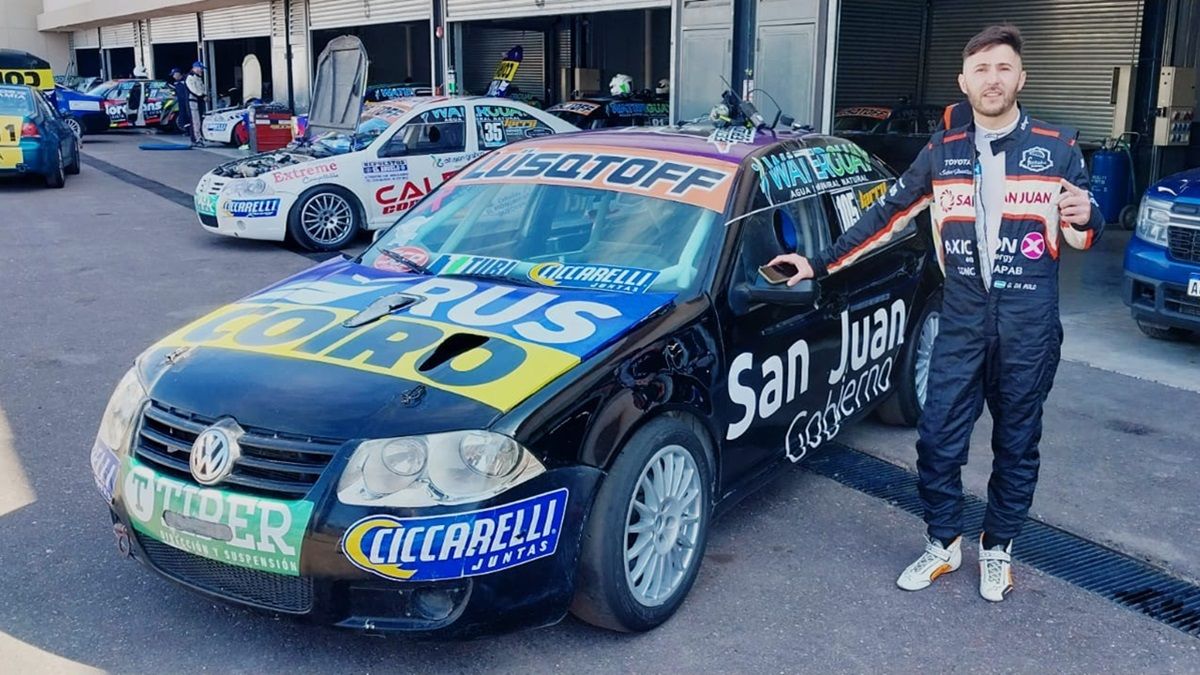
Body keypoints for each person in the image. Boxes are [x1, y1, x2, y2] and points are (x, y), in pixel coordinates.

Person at [767, 24, 1103, 602]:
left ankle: (998, 548)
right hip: (963, 317)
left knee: (1017, 443)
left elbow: (1081, 237)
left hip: (1029, 323)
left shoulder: (1060, 146)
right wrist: (817, 263)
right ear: (963, 82)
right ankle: (944, 542)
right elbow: (888, 216)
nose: (992, 79)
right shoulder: (942, 151)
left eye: (1002, 68)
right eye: (981, 70)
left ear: (1021, 77)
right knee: (938, 440)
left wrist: (1086, 214)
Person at [185, 61, 207, 145]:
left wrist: (204, 95)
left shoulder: (198, 77)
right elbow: (193, 90)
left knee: (199, 120)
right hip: (193, 102)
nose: (201, 71)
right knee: (195, 121)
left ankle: (199, 137)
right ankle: (196, 140)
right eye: (201, 69)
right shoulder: (190, 77)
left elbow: (201, 88)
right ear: (195, 68)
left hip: (198, 102)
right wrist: (202, 96)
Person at [170, 68, 191, 136]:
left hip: (188, 101)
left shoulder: (186, 80)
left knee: (189, 116)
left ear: (178, 74)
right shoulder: (175, 83)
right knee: (183, 117)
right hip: (180, 102)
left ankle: (192, 132)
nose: (173, 77)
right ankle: (187, 131)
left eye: (174, 75)